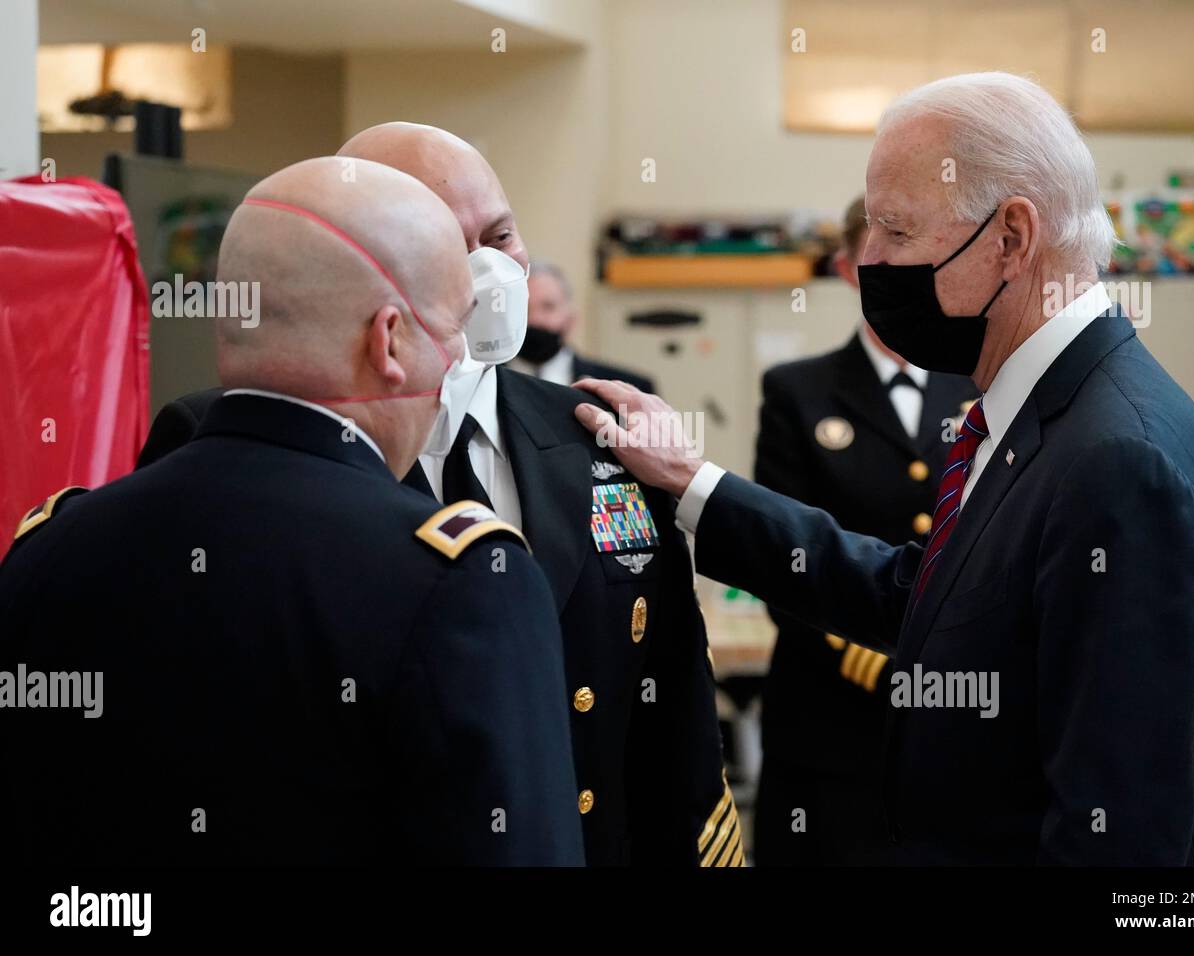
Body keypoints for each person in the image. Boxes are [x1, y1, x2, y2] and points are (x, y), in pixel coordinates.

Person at [572, 72, 1194, 866]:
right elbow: (925, 597)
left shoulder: (1118, 462)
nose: (868, 262)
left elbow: (1117, 838)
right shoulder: (1042, 408)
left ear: (1011, 238)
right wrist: (693, 486)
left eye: (895, 232)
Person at [0, 157, 584, 866]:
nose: (458, 359)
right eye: (453, 331)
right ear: (389, 340)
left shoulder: (52, 545)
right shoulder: (461, 583)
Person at [334, 123, 739, 867]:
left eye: (501, 235)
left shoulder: (601, 434)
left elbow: (672, 702)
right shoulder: (291, 442)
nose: (491, 271)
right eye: (452, 245)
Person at [754, 195, 979, 866]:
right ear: (850, 271)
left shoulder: (977, 383)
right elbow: (781, 555)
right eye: (879, 259)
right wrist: (882, 662)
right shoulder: (799, 390)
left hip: (956, 716)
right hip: (833, 714)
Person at [512, 260, 656, 394]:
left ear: (571, 318)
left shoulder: (631, 390)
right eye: (522, 307)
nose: (535, 319)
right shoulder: (490, 380)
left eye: (549, 307)